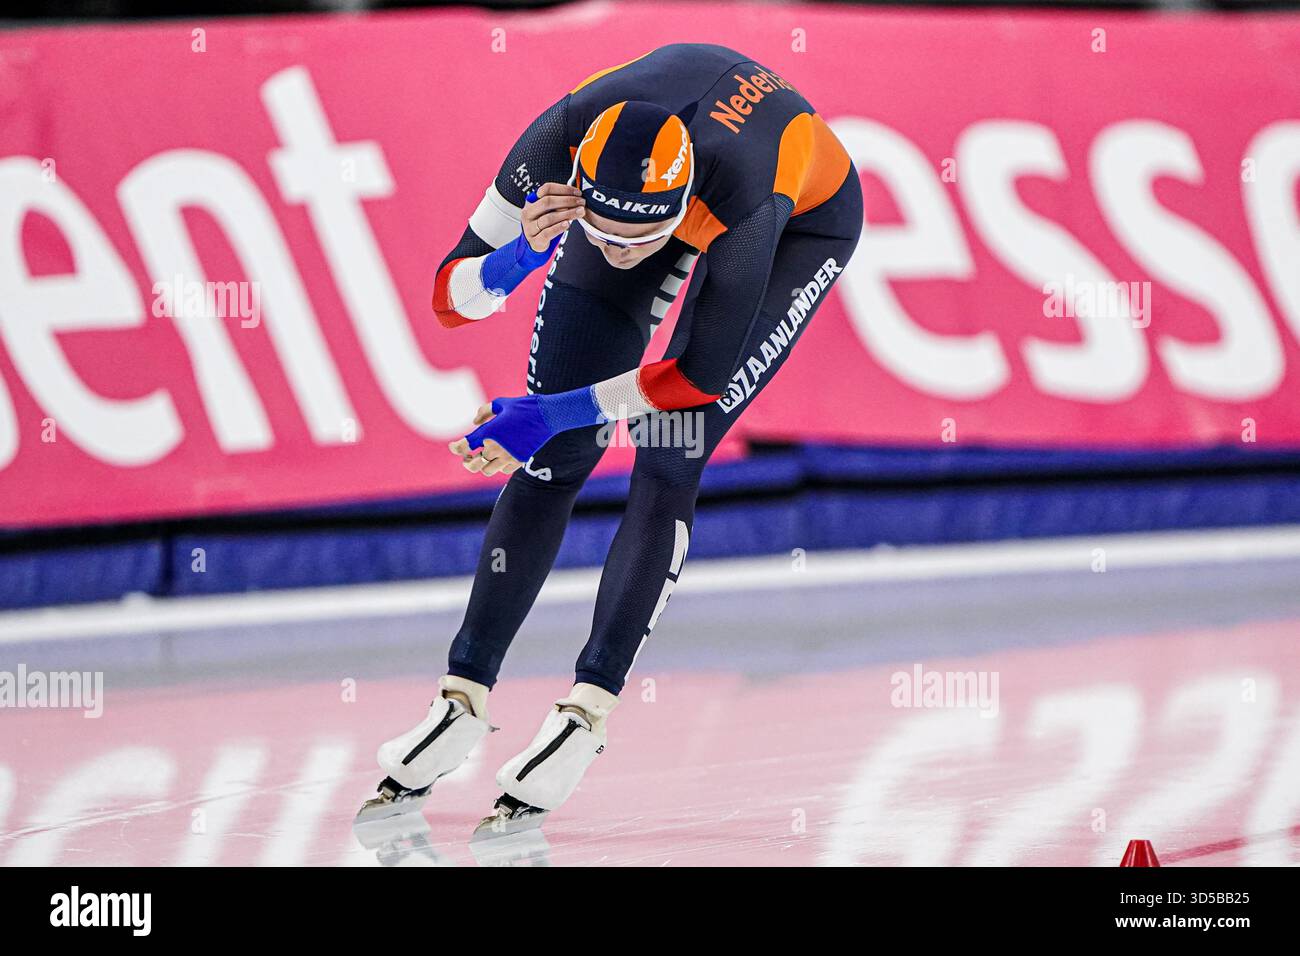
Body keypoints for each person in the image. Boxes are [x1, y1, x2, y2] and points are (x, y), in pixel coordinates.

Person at [357, 43, 863, 833]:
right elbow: (448, 299)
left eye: (644, 241)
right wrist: (517, 258)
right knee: (552, 463)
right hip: (644, 187)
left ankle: (588, 707)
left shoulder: (747, 201)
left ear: (682, 206)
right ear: (578, 191)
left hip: (805, 220)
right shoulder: (556, 141)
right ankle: (461, 696)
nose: (626, 253)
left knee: (670, 451)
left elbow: (695, 376)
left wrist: (550, 409)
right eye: (606, 235)